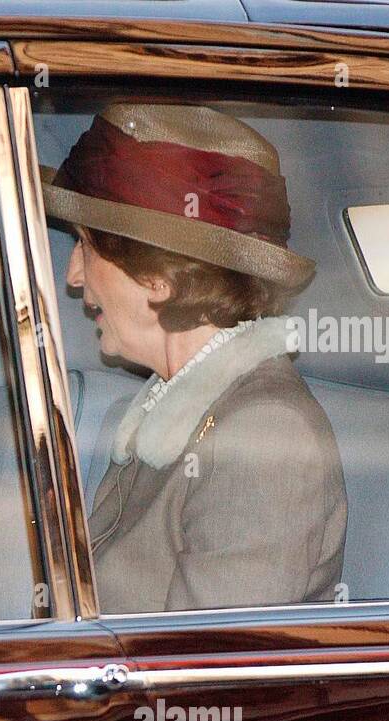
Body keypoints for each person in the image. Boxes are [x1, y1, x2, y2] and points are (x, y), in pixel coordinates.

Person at [43, 102, 346, 612]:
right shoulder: (177, 408)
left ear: (159, 279)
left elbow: (210, 663)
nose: (74, 276)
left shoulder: (261, 434)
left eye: (87, 247)